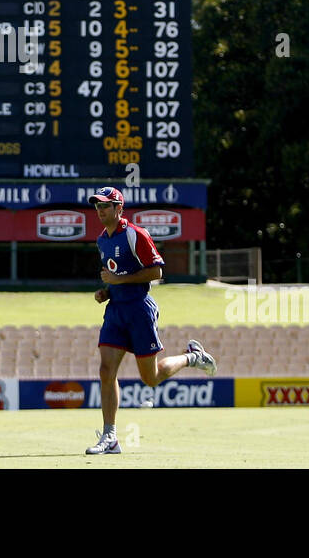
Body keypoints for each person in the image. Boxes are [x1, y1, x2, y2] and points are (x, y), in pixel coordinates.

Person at [85, 185, 216, 455]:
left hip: (139, 310)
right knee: (106, 371)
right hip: (115, 310)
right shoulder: (102, 240)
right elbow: (116, 275)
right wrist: (106, 292)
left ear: (119, 208)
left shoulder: (136, 235)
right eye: (97, 206)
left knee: (151, 378)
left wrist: (118, 281)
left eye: (105, 205)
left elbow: (156, 272)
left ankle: (192, 357)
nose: (100, 210)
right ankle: (110, 436)